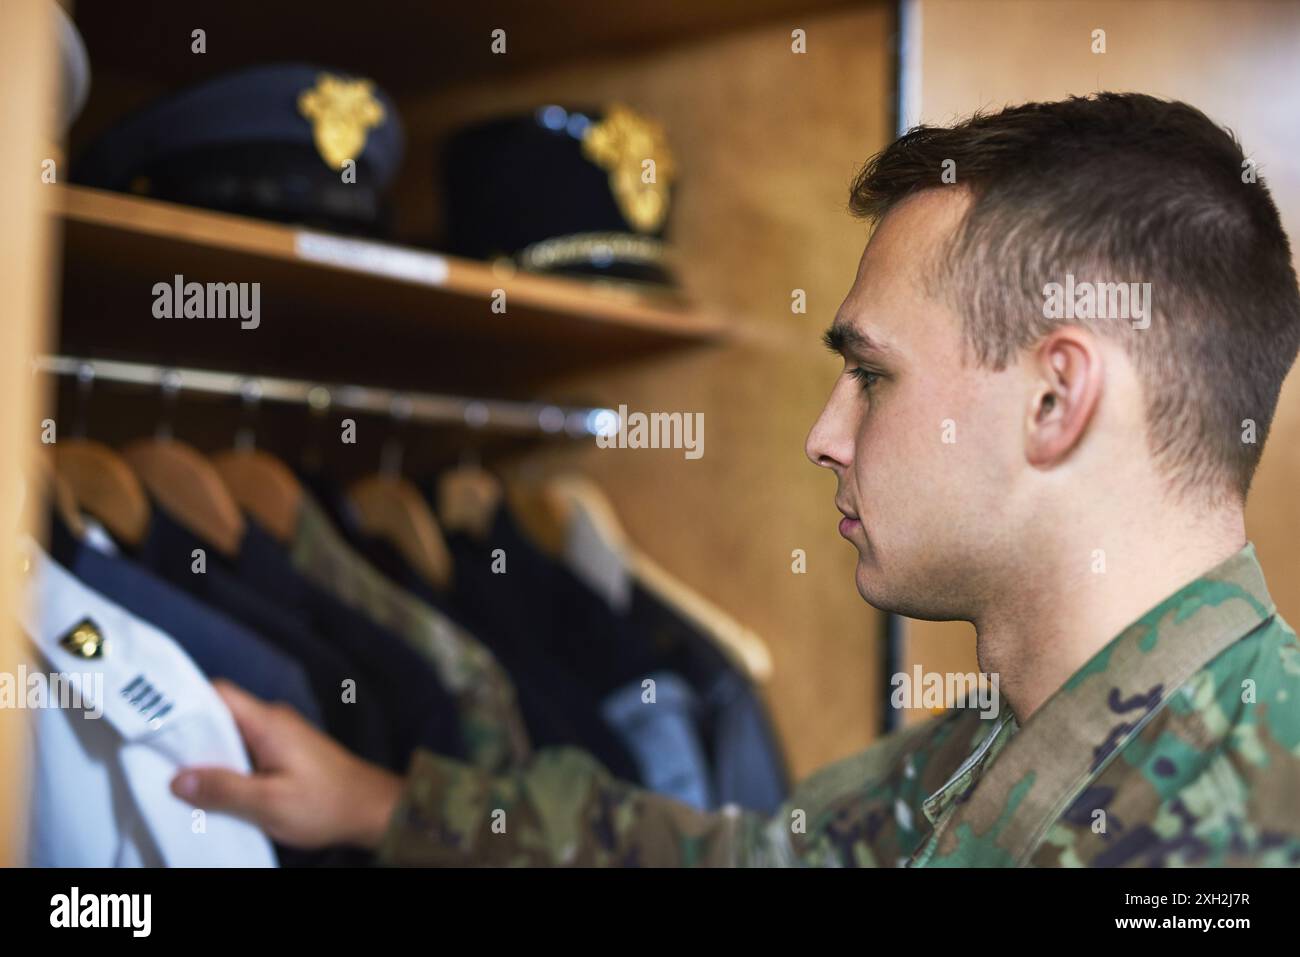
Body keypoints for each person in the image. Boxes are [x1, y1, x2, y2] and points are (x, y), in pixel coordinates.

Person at [170, 92, 1300, 866]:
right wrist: (382, 805)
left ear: (1054, 401)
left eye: (871, 377)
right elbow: (756, 858)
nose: (824, 434)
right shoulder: (1013, 735)